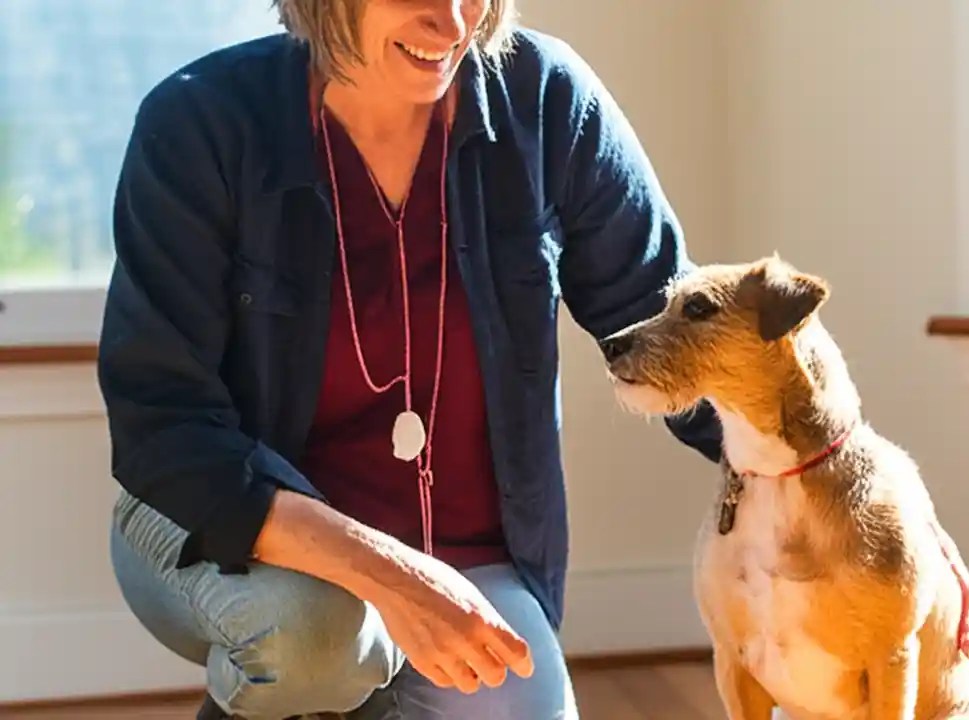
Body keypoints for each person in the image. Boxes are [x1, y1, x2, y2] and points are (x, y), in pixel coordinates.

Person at [97, 1, 723, 718]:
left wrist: (823, 467)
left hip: (464, 557)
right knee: (316, 643)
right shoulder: (198, 124)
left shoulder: (546, 104)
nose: (452, 24)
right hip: (227, 528)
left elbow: (672, 326)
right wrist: (384, 576)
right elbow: (162, 428)